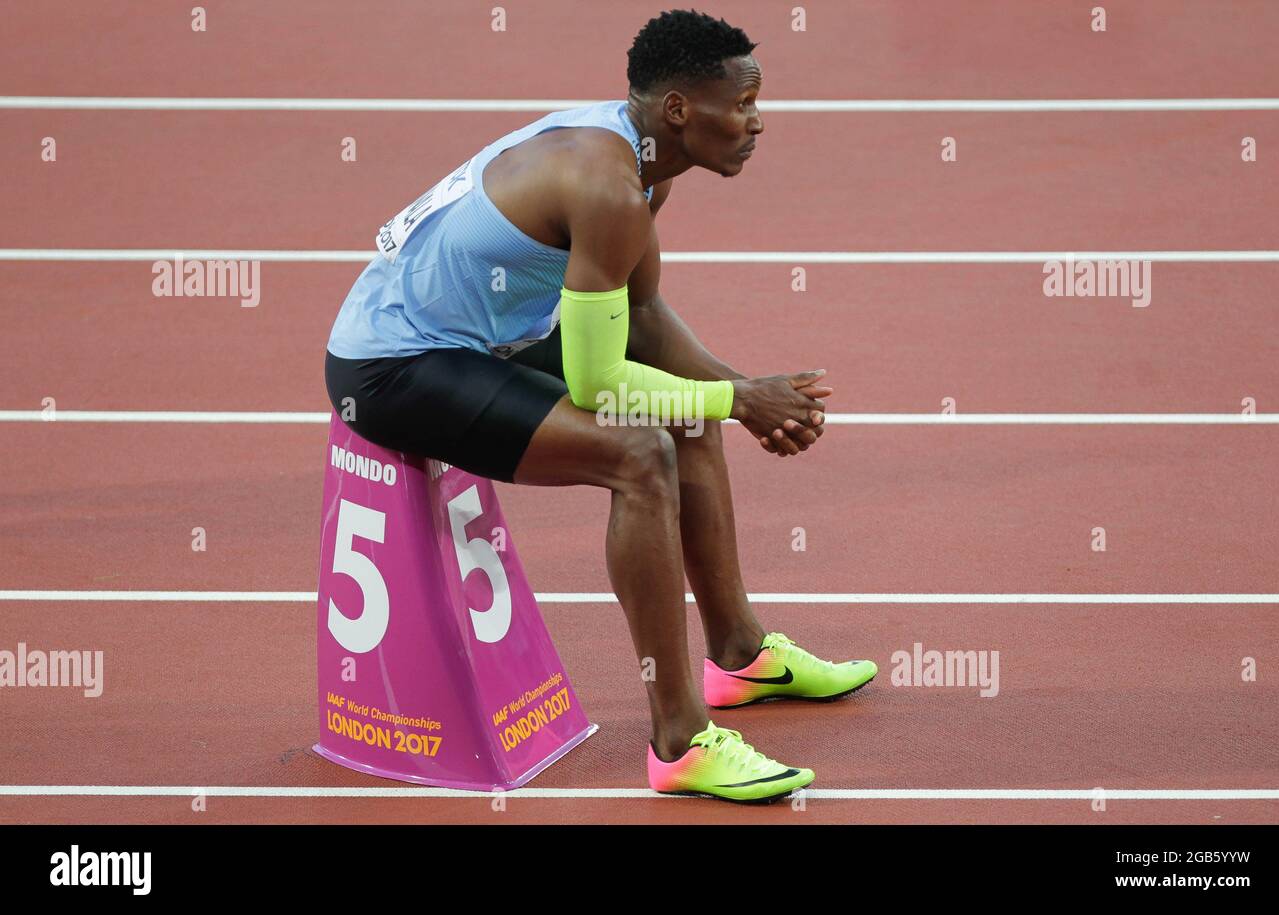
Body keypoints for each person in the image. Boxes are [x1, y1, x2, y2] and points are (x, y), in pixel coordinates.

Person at [325, 9, 876, 802]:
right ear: (681, 110)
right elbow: (600, 388)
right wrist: (740, 400)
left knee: (686, 412)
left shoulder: (641, 157)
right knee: (638, 451)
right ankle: (679, 741)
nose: (759, 122)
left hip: (483, 334)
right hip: (391, 364)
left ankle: (740, 653)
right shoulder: (610, 185)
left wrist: (752, 398)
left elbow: (644, 319)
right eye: (745, 104)